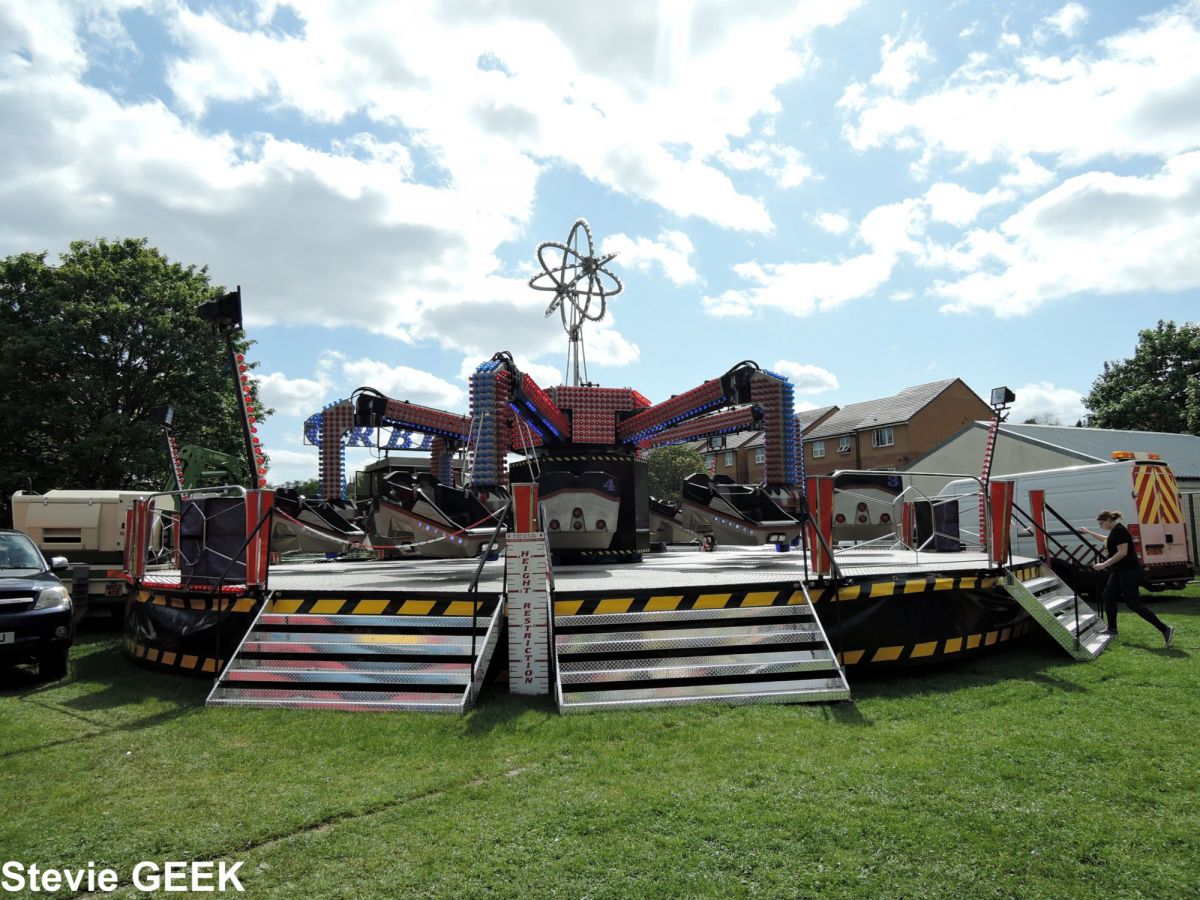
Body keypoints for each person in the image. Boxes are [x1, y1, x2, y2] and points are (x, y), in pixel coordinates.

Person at [1083, 510, 1174, 646]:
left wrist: (1104, 564)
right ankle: (1112, 629)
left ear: (1108, 519)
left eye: (1101, 523)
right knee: (1108, 596)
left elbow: (1122, 552)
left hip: (1129, 572)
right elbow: (1105, 540)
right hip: (1119, 572)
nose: (1101, 526)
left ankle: (1165, 629)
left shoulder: (1120, 531)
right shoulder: (1114, 532)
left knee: (1133, 604)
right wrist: (1089, 532)